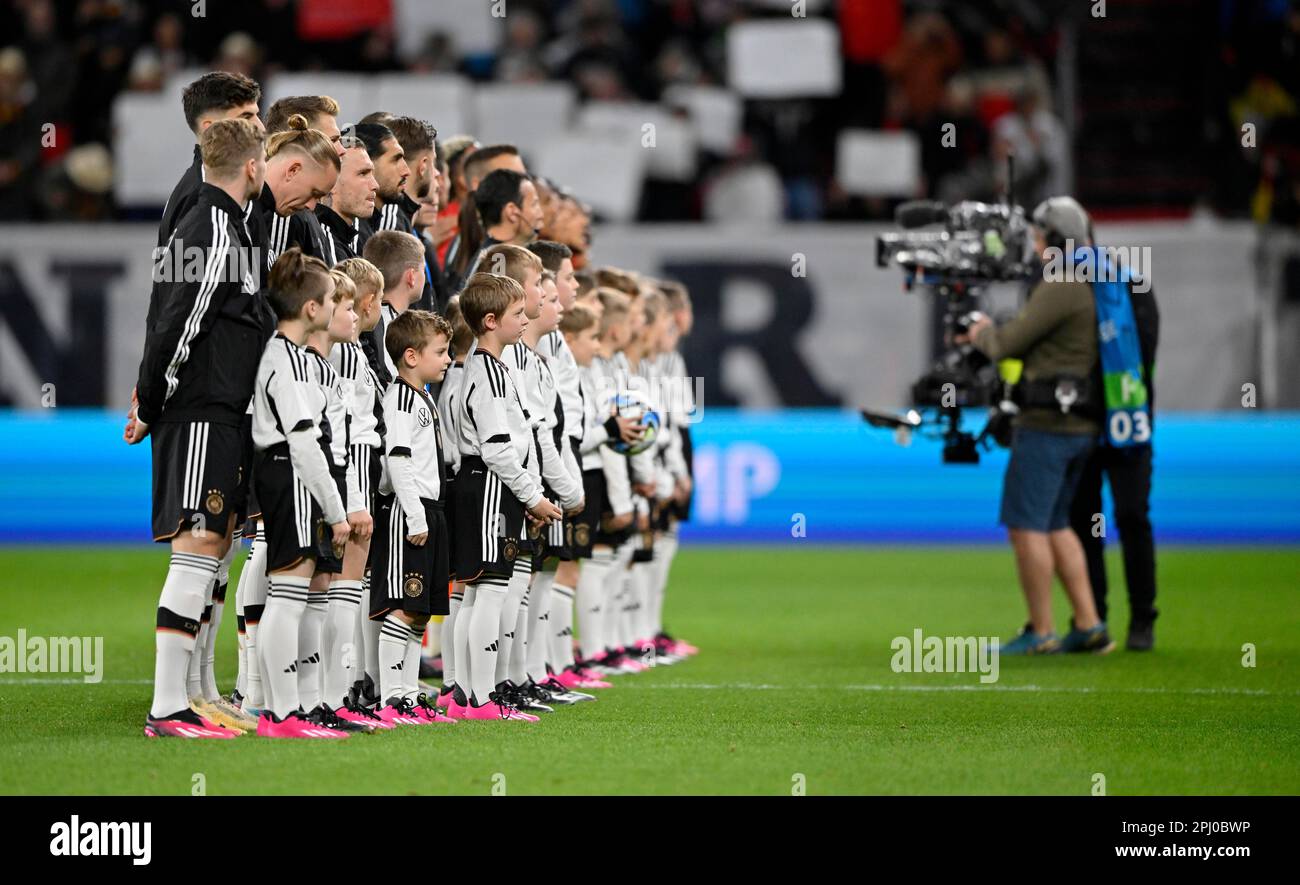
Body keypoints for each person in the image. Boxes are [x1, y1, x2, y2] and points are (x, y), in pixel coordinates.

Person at [131, 118, 267, 739]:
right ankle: (167, 708)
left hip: (217, 412)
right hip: (200, 412)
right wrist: (154, 402)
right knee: (197, 547)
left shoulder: (224, 221)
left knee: (209, 550)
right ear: (255, 168)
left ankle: (193, 696)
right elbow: (178, 321)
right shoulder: (213, 223)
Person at [961, 196, 1114, 656]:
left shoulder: (1062, 282)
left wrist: (980, 331)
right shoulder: (1086, 280)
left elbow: (1008, 344)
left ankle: (1041, 631)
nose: (1033, 243)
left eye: (1038, 235)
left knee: (1026, 526)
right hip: (1077, 424)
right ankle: (1088, 624)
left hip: (1047, 425)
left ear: (1054, 238)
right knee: (1054, 524)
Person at [248, 249, 353, 738]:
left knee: (302, 594)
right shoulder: (283, 360)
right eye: (331, 299)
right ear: (312, 309)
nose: (335, 306)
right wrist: (336, 511)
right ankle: (280, 714)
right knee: (287, 597)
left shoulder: (299, 359)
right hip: (287, 473)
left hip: (295, 474)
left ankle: (299, 708)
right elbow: (305, 443)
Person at [450, 272, 563, 721]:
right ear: (492, 321)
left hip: (492, 487)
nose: (524, 321)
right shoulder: (490, 374)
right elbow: (499, 447)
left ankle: (466, 695)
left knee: (480, 593)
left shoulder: (492, 367)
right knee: (490, 591)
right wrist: (532, 496)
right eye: (517, 314)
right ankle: (480, 698)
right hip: (490, 488)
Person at [1066, 210, 1161, 651]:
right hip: (1097, 419)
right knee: (1090, 522)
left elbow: (1144, 351)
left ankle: (1142, 617)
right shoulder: (1069, 288)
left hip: (1118, 418)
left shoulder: (1129, 284)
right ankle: (1095, 616)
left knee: (1129, 517)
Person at [369, 309, 457, 726]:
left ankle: (407, 695)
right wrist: (414, 515)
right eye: (440, 351)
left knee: (419, 609)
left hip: (429, 511)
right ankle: (391, 699)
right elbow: (398, 459)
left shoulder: (422, 397)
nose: (447, 358)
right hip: (410, 514)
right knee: (403, 606)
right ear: (410, 356)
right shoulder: (401, 398)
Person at [316, 138, 377, 264]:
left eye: (372, 174)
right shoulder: (324, 242)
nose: (375, 185)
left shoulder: (346, 240)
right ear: (332, 182)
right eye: (363, 173)